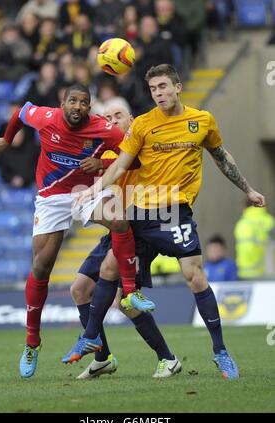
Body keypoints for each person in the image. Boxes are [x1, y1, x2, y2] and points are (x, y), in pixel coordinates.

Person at [74, 64, 265, 380]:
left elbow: (221, 157)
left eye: (163, 86)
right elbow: (120, 164)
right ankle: (99, 347)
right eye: (153, 89)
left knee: (195, 276)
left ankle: (220, 352)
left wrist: (248, 189)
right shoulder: (144, 125)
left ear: (177, 87)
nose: (159, 93)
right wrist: (95, 188)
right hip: (140, 214)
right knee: (108, 280)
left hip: (176, 213)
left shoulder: (201, 121)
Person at [0, 83, 155, 379]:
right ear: (63, 104)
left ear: (90, 106)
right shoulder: (47, 117)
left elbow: (135, 159)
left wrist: (102, 162)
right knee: (40, 268)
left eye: (83, 102)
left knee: (119, 220)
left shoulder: (104, 130)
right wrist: (8, 141)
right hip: (51, 196)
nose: (77, 106)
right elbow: (21, 113)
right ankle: (32, 342)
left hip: (86, 190)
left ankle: (130, 291)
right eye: (72, 100)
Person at [64, 104, 181, 379]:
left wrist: (102, 165)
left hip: (142, 228)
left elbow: (132, 161)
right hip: (118, 228)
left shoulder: (143, 140)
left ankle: (168, 358)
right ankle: (102, 358)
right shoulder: (106, 148)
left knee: (125, 301)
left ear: (132, 119)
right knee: (79, 289)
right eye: (107, 118)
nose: (112, 121)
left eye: (118, 116)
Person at [234, 201, 275, 279]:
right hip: (264, 273)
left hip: (243, 272)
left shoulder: (241, 224)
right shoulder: (268, 220)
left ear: (244, 207)